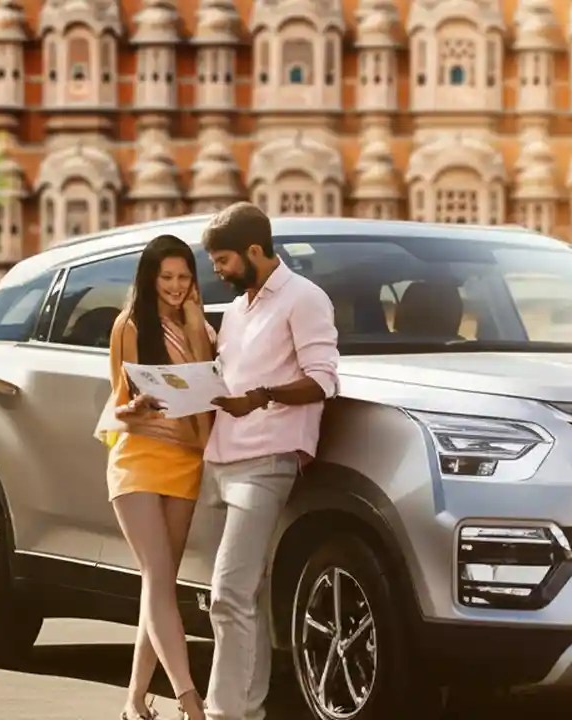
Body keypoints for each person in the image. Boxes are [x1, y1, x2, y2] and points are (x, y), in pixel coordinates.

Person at [199, 202, 340, 720]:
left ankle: (222, 713)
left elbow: (323, 378)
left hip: (268, 458)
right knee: (246, 596)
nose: (217, 270)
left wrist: (259, 397)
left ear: (255, 251)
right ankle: (248, 710)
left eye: (223, 260)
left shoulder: (304, 299)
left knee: (227, 594)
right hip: (221, 459)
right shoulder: (236, 310)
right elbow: (227, 375)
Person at [94, 235, 216, 720]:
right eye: (166, 277)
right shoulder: (128, 325)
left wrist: (192, 324)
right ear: (149, 278)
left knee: (159, 584)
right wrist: (136, 406)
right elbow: (118, 405)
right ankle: (190, 700)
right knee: (159, 577)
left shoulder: (201, 327)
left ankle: (132, 702)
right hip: (138, 457)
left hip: (187, 460)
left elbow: (208, 394)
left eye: (183, 277)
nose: (174, 286)